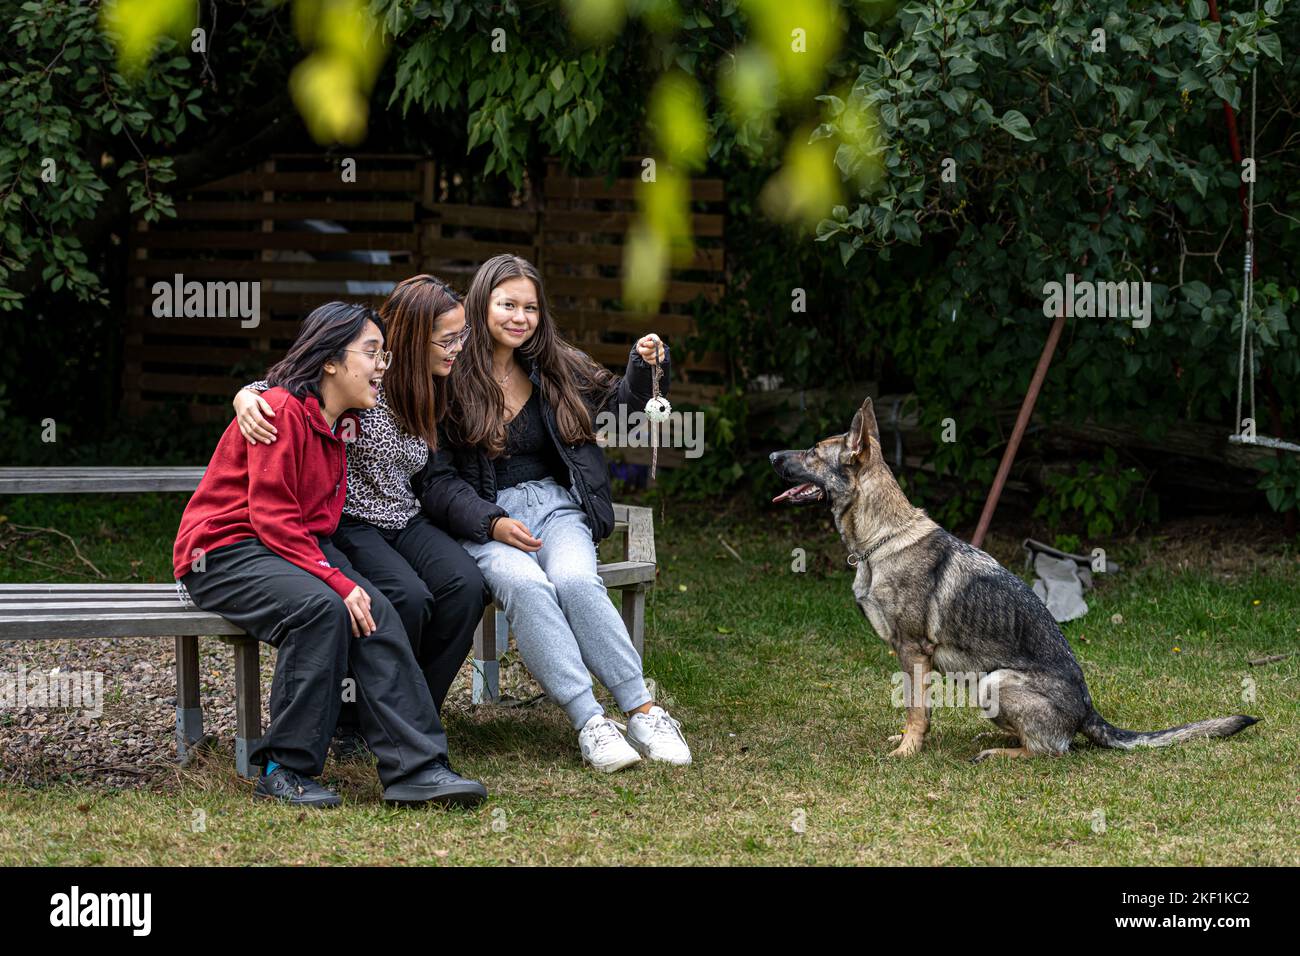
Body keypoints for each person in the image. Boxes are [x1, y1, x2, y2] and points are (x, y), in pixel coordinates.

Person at [174, 302, 487, 807]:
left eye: (384, 353)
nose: (382, 365)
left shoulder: (343, 422)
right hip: (226, 548)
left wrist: (347, 581)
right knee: (323, 610)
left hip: (291, 545)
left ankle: (418, 769)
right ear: (330, 361)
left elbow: (304, 527)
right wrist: (337, 581)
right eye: (371, 352)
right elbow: (273, 518)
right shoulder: (280, 412)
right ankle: (284, 770)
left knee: (377, 609)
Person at [418, 254, 692, 772]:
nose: (520, 317)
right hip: (483, 519)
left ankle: (643, 710)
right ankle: (590, 721)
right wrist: (490, 522)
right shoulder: (449, 375)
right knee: (526, 587)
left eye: (530, 308)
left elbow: (621, 412)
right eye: (507, 305)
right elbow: (435, 480)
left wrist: (643, 366)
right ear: (481, 304)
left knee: (575, 581)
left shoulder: (555, 364)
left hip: (555, 508)